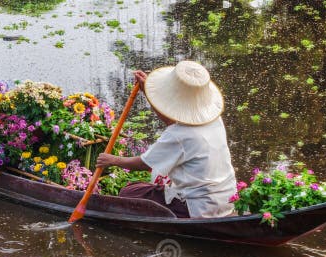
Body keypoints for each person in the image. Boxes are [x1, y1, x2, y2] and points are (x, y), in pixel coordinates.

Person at [96, 61, 237, 218]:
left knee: (128, 192)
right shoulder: (213, 119)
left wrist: (112, 160)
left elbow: (145, 163)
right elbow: (174, 120)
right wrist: (147, 93)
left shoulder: (178, 135)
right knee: (145, 188)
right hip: (226, 198)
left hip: (198, 207)